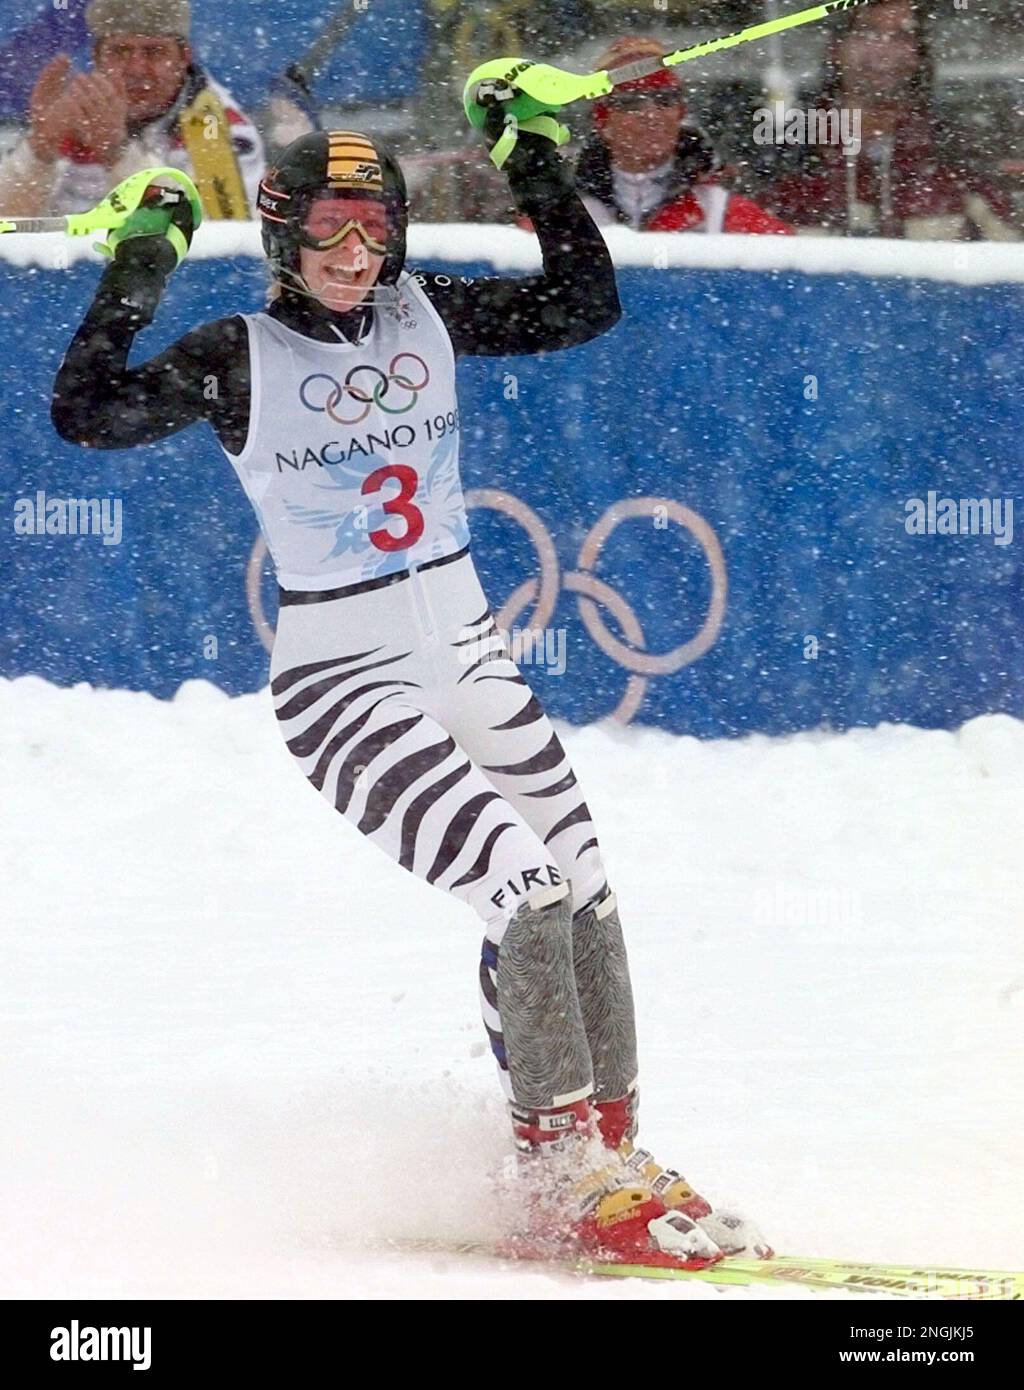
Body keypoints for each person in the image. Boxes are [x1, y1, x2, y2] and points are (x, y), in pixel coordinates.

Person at [51, 108, 767, 1263]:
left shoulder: (422, 306)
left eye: (375, 226)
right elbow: (86, 414)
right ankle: (558, 1173)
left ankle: (614, 1151)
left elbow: (586, 303)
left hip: (469, 652)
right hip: (345, 682)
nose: (356, 253)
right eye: (332, 228)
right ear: (282, 233)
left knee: (585, 891)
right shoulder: (237, 354)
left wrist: (528, 155)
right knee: (525, 892)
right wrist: (142, 263)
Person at [764, 0, 1018, 240]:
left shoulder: (954, 155)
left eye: (901, 36)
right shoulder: (786, 153)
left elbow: (1010, 262)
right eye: (867, 32)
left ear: (918, 54)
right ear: (836, 49)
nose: (883, 50)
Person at [0, 0, 263, 222]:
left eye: (154, 52)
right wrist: (39, 151)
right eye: (120, 52)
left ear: (184, 57)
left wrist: (118, 153)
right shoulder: (70, 115)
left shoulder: (219, 128)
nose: (137, 69)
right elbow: (9, 230)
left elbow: (207, 247)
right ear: (97, 57)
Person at [576, 36, 793, 236]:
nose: (651, 115)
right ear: (603, 119)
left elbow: (793, 266)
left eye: (665, 99)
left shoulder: (718, 205)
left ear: (680, 112)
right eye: (631, 102)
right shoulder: (564, 206)